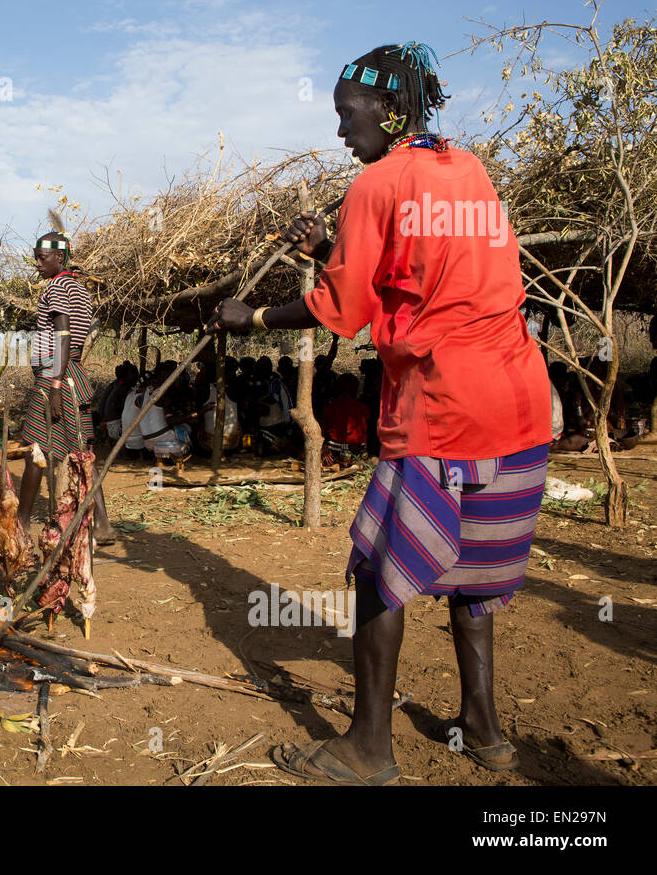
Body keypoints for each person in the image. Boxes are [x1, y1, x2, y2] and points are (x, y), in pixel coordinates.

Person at [208, 42, 551, 785]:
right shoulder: (469, 171)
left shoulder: (377, 184)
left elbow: (343, 309)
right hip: (518, 405)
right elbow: (421, 275)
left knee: (378, 569)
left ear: (390, 111)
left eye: (345, 113)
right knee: (474, 576)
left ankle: (368, 745)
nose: (339, 131)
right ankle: (484, 728)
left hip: (442, 407)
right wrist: (331, 247)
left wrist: (251, 317)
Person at [16, 228, 116, 544]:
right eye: (35, 258)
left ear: (59, 257)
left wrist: (56, 384)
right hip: (70, 374)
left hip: (54, 378)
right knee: (82, 452)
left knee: (35, 450)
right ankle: (103, 524)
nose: (37, 264)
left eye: (41, 258)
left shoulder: (57, 288)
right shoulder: (79, 290)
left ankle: (20, 523)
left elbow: (63, 334)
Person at [321, 372, 370, 465]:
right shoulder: (364, 408)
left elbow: (322, 431)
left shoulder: (330, 408)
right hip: (359, 454)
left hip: (335, 454)